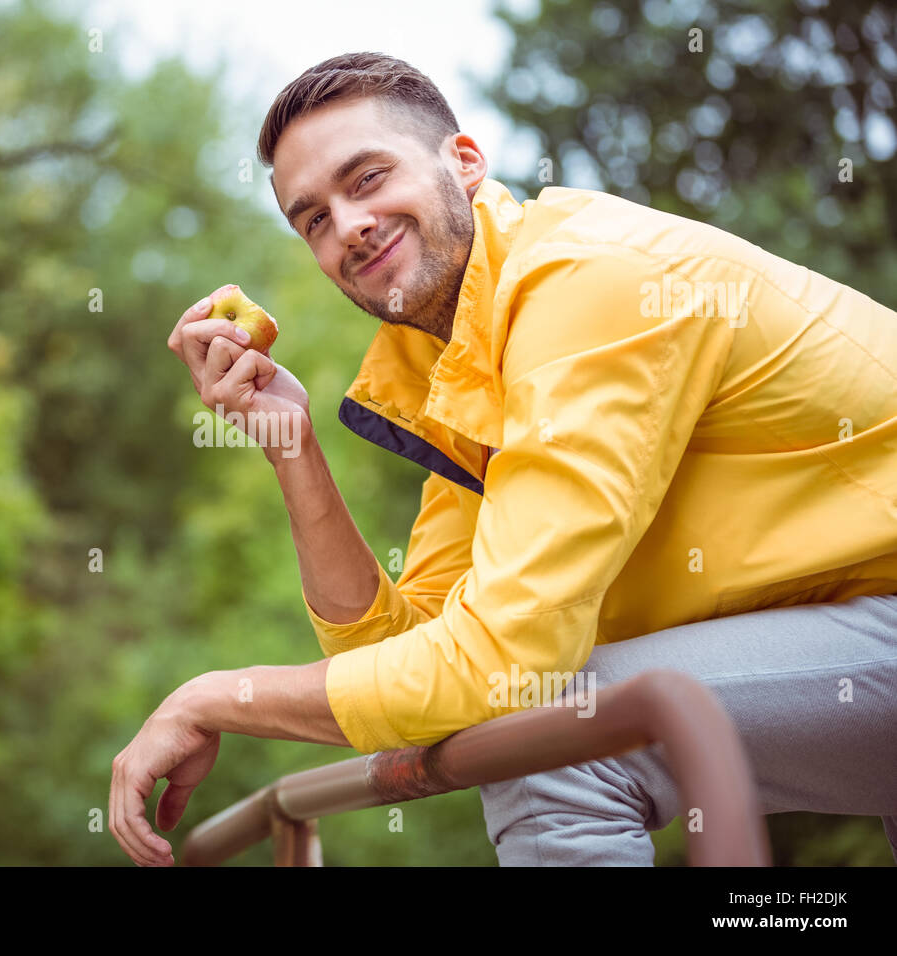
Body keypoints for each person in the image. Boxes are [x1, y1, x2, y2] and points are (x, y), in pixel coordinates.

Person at [107, 51, 897, 867]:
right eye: (313, 218)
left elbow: (497, 664)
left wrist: (213, 698)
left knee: (557, 740)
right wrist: (293, 447)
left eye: (369, 178)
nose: (349, 225)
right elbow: (407, 673)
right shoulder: (466, 365)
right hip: (866, 640)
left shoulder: (588, 285)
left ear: (467, 163)